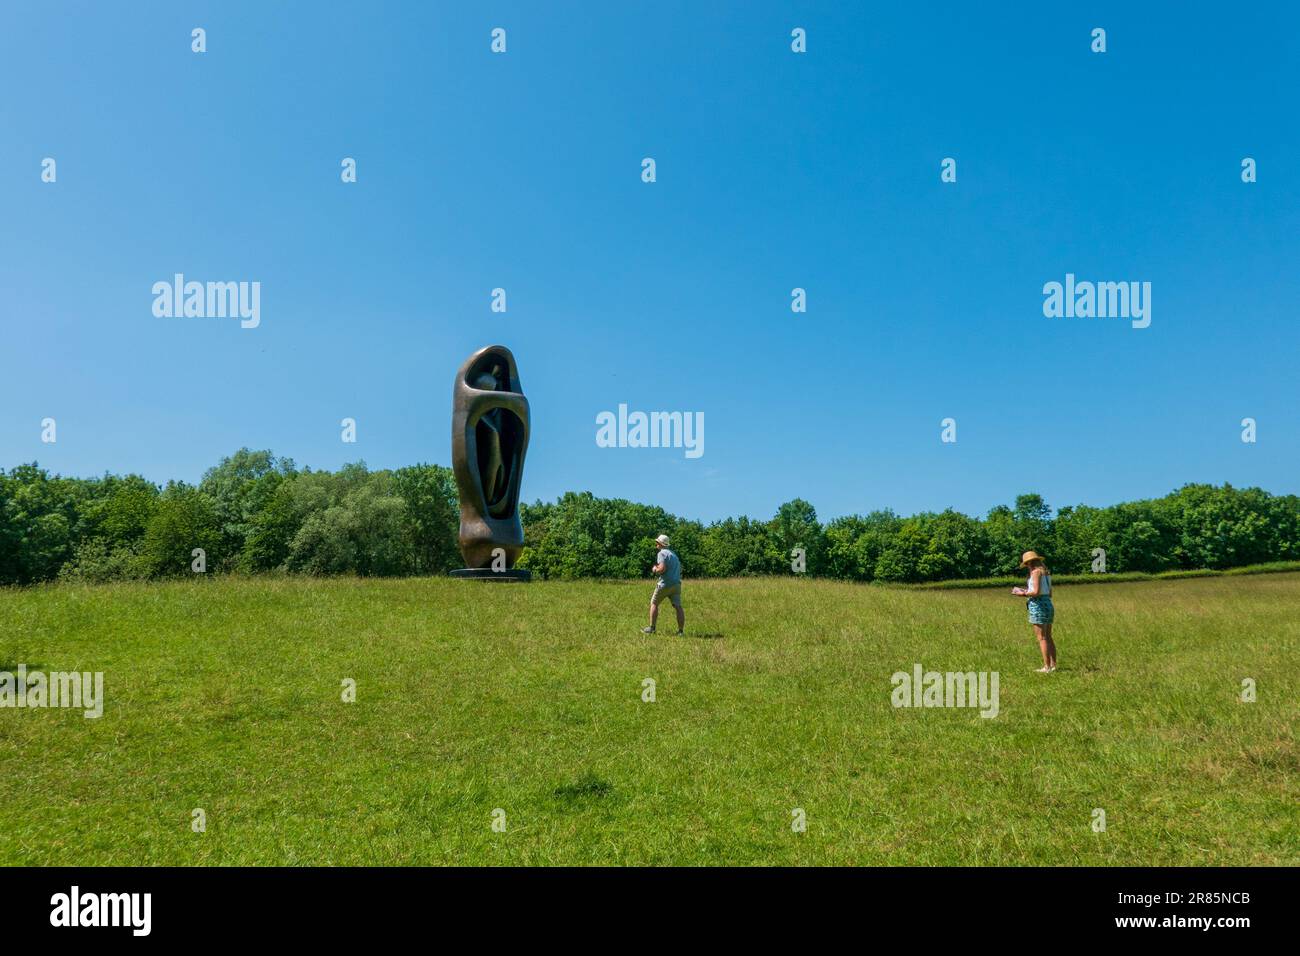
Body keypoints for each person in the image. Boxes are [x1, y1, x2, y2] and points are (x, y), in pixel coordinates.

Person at [1011, 550, 1056, 672]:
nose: (1026, 567)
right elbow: (1049, 593)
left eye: (1026, 564)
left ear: (1030, 563)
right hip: (1048, 604)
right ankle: (1053, 665)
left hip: (1038, 605)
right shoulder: (1046, 573)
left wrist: (1022, 593)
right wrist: (1026, 590)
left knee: (1041, 638)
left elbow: (1035, 592)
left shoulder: (1035, 572)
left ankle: (1046, 667)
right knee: (1048, 636)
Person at [642, 534, 684, 635]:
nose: (656, 544)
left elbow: (662, 569)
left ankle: (652, 629)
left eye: (657, 542)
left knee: (654, 603)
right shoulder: (674, 554)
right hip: (676, 584)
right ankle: (681, 631)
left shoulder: (661, 553)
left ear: (660, 544)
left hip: (665, 584)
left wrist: (655, 569)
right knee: (678, 607)